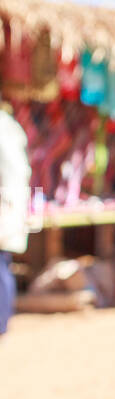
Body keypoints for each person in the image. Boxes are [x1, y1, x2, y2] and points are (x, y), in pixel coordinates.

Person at [0, 101, 31, 335]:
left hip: (6, 204)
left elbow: (13, 174)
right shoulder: (8, 126)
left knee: (1, 266)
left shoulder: (3, 127)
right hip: (10, 202)